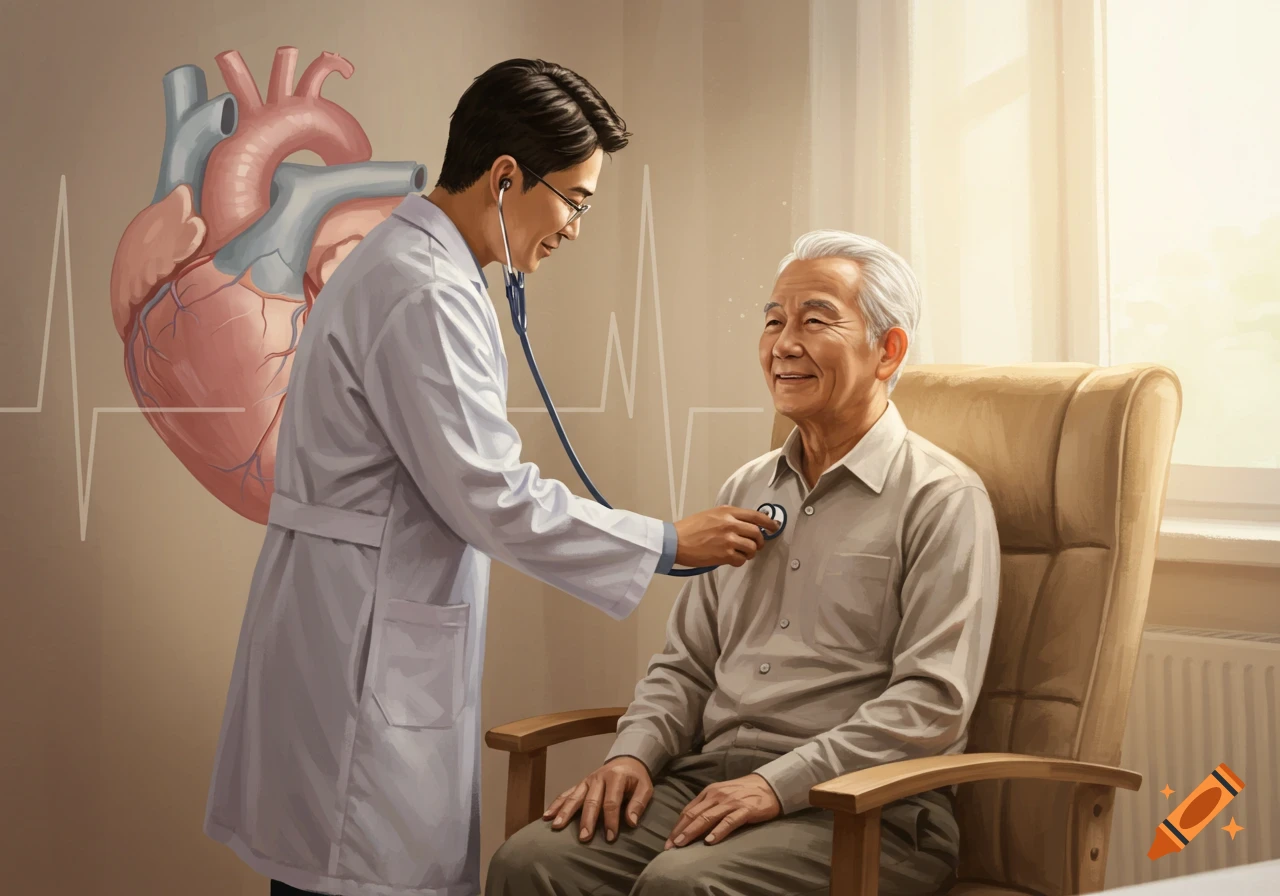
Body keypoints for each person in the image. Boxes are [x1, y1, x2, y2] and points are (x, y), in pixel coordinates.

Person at [202, 58, 780, 896]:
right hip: (359, 635)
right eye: (574, 200)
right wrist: (663, 541)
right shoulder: (424, 291)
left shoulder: (409, 265)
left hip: (349, 616)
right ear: (507, 176)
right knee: (355, 871)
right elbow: (491, 494)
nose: (577, 227)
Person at [485, 230, 1002, 896]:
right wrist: (632, 756)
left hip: (864, 808)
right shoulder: (747, 487)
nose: (783, 344)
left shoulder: (942, 499)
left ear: (888, 349)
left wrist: (774, 784)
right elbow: (687, 663)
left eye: (815, 321)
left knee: (682, 887)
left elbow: (932, 705)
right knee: (528, 865)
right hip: (711, 780)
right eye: (773, 322)